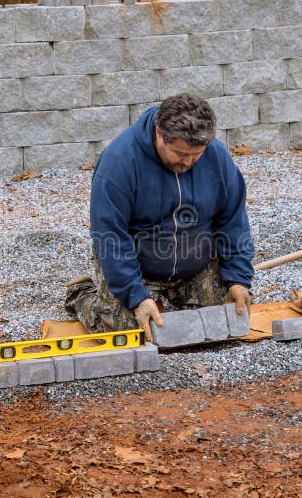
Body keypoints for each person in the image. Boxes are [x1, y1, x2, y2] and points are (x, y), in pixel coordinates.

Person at [65, 93, 255, 342]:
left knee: (221, 322)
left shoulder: (217, 157)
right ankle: (83, 293)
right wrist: (136, 296)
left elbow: (233, 219)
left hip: (195, 265)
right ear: (159, 133)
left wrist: (238, 278)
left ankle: (181, 292)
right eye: (179, 153)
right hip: (139, 267)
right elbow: (110, 236)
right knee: (125, 332)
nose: (188, 162)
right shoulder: (119, 163)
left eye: (196, 154)